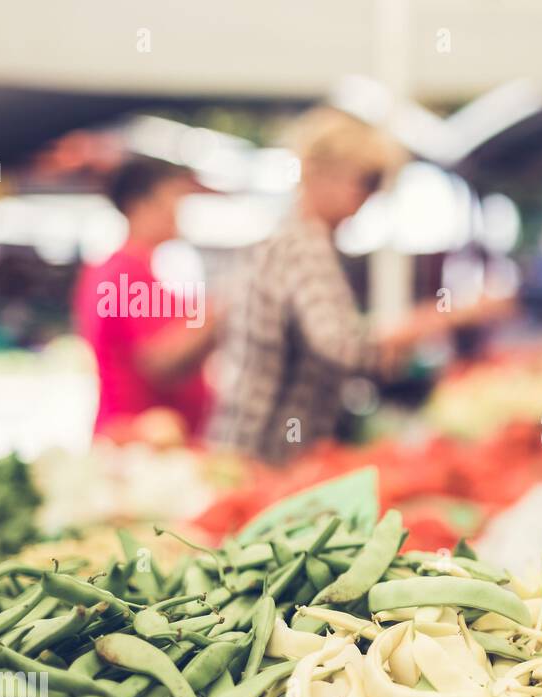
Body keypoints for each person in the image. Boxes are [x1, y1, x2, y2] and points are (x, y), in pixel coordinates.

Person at [207, 107, 510, 464]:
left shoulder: (290, 241)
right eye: (366, 180)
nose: (371, 196)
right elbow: (343, 346)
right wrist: (448, 316)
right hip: (267, 454)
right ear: (321, 174)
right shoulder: (304, 247)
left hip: (255, 446)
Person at [73, 158, 216, 438]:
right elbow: (160, 361)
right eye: (172, 198)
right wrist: (219, 316)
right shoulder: (126, 272)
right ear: (141, 205)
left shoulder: (124, 269)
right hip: (138, 448)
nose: (179, 210)